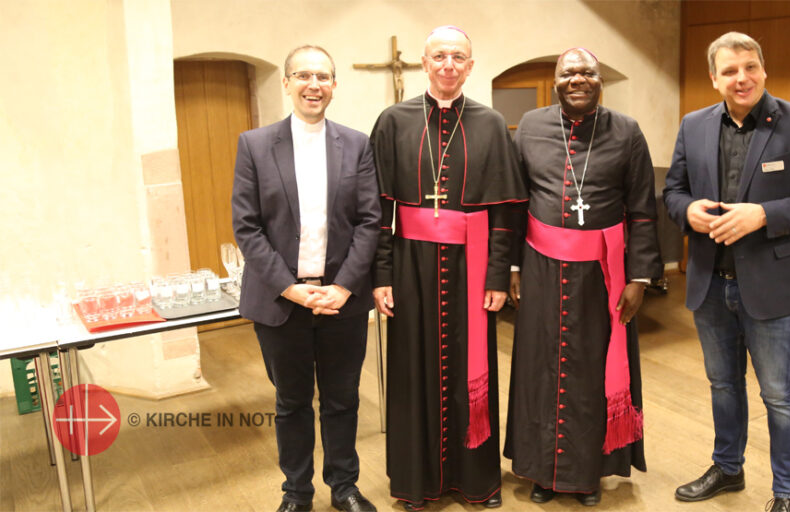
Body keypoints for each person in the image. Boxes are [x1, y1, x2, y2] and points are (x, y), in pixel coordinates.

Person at [663, 32, 790, 512]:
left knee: (779, 396)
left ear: (764, 69)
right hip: (709, 284)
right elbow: (673, 191)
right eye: (729, 71)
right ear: (714, 78)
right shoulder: (693, 124)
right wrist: (688, 212)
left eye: (750, 67)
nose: (741, 78)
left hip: (771, 287)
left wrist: (764, 215)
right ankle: (728, 468)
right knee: (723, 385)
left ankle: (787, 493)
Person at [369, 26, 527, 511]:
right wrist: (381, 276)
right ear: (424, 63)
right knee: (412, 373)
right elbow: (377, 209)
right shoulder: (393, 121)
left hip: (471, 267)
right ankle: (417, 483)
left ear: (470, 66)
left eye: (458, 57)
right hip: (411, 267)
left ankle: (476, 482)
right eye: (439, 56)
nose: (448, 65)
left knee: (470, 371)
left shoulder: (491, 123)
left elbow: (504, 213)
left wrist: (498, 276)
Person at [503, 48, 662, 507]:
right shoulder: (530, 125)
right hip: (540, 267)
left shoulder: (626, 131)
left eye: (587, 72)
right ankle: (541, 471)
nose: (578, 79)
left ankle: (588, 473)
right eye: (568, 73)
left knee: (593, 370)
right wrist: (512, 265)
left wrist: (640, 278)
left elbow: (643, 210)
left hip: (602, 273)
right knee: (539, 368)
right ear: (556, 81)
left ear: (600, 80)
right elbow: (515, 201)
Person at [232, 45, 380, 512]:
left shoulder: (356, 144)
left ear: (334, 85)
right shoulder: (255, 145)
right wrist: (290, 287)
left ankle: (345, 487)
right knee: (291, 402)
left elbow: (370, 221)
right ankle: (296, 492)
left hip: (341, 299)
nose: (313, 85)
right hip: (281, 301)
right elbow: (247, 227)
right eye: (303, 75)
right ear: (287, 83)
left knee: (342, 400)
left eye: (323, 77)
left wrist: (344, 286)